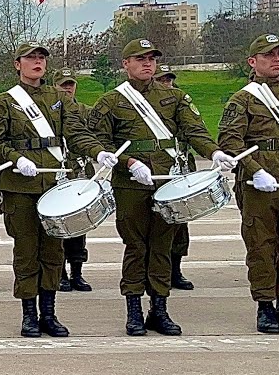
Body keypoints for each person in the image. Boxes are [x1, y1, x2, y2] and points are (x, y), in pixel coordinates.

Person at [70, 39, 232, 336]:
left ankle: (159, 309)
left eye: (151, 58)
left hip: (168, 179)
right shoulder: (111, 101)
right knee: (136, 246)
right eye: (140, 58)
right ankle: (133, 310)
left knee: (162, 246)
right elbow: (95, 140)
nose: (147, 63)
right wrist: (127, 161)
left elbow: (194, 131)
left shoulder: (174, 97)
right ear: (126, 64)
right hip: (130, 183)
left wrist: (214, 153)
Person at [0, 44, 82, 337]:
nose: (37, 63)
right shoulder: (5, 102)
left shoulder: (58, 98)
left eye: (41, 59)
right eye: (31, 58)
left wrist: (99, 153)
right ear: (18, 64)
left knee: (52, 251)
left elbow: (75, 132)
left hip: (53, 185)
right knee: (26, 252)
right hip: (20, 188)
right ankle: (29, 314)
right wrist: (16, 158)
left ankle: (49, 313)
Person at [217, 34, 279, 334]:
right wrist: (254, 170)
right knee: (261, 246)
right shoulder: (242, 99)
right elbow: (229, 141)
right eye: (268, 55)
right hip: (259, 183)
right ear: (253, 62)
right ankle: (265, 306)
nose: (277, 59)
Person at [154, 64, 197, 290]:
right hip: (155, 169)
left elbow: (193, 131)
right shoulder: (146, 106)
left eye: (169, 80)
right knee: (159, 222)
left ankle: (176, 269)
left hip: (179, 167)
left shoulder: (180, 104)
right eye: (162, 80)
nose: (167, 83)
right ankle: (158, 272)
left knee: (180, 222)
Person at [54, 69, 94, 292]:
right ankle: (59, 273)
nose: (68, 88)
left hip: (79, 171)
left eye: (70, 84)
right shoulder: (50, 111)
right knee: (59, 225)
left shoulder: (85, 112)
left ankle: (77, 272)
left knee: (79, 225)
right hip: (59, 172)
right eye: (63, 84)